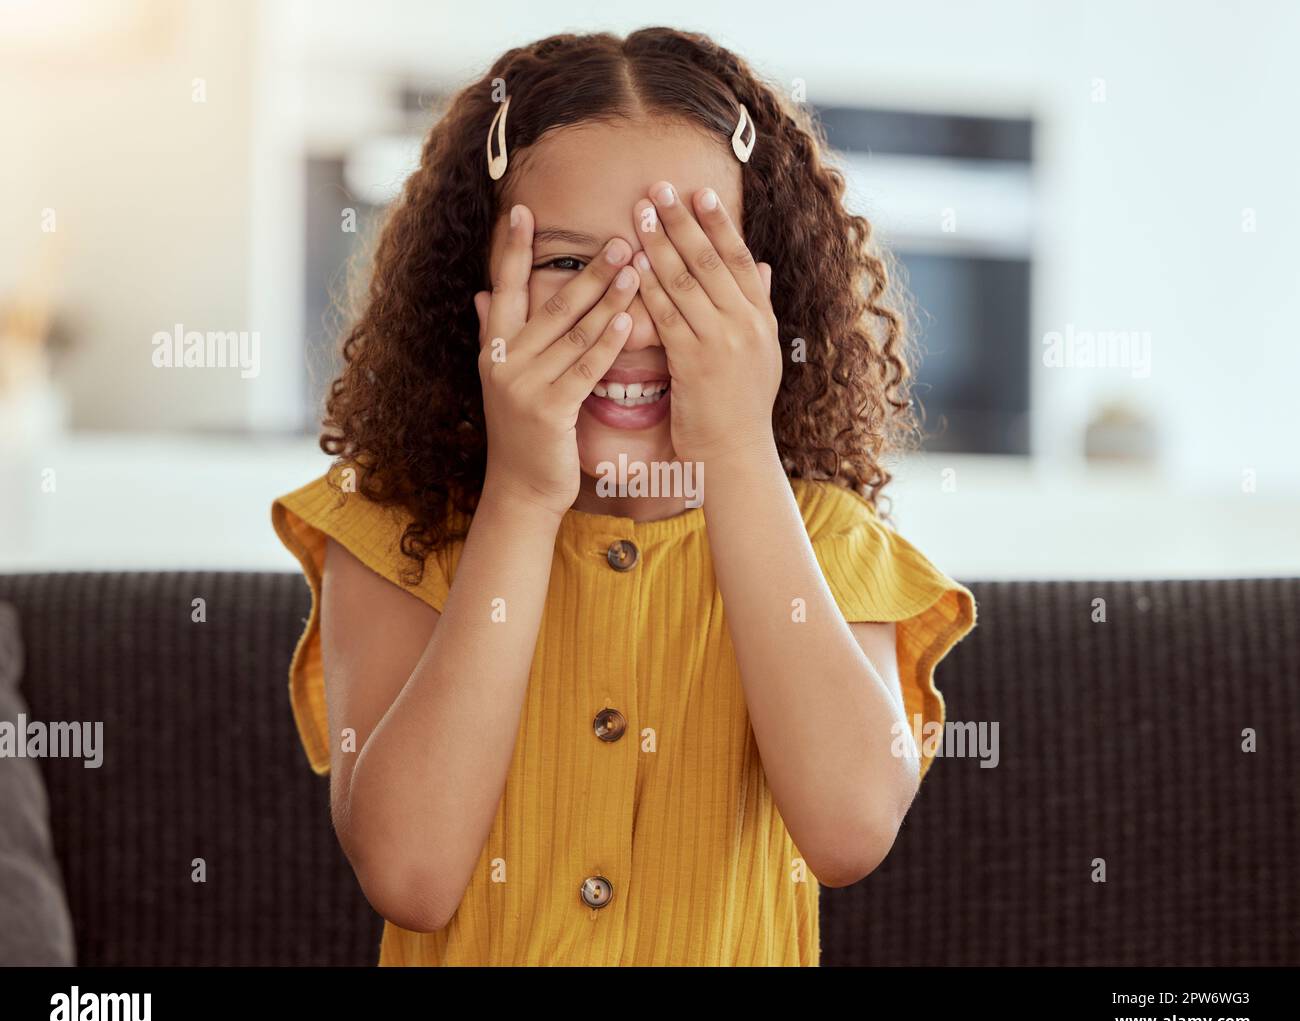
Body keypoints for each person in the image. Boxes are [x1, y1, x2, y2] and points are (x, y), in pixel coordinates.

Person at [271, 26, 976, 967]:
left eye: (690, 270)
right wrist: (522, 494)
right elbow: (409, 872)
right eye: (566, 265)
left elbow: (849, 832)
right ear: (475, 290)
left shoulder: (822, 539)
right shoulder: (395, 531)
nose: (630, 322)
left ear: (769, 307)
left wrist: (733, 448)